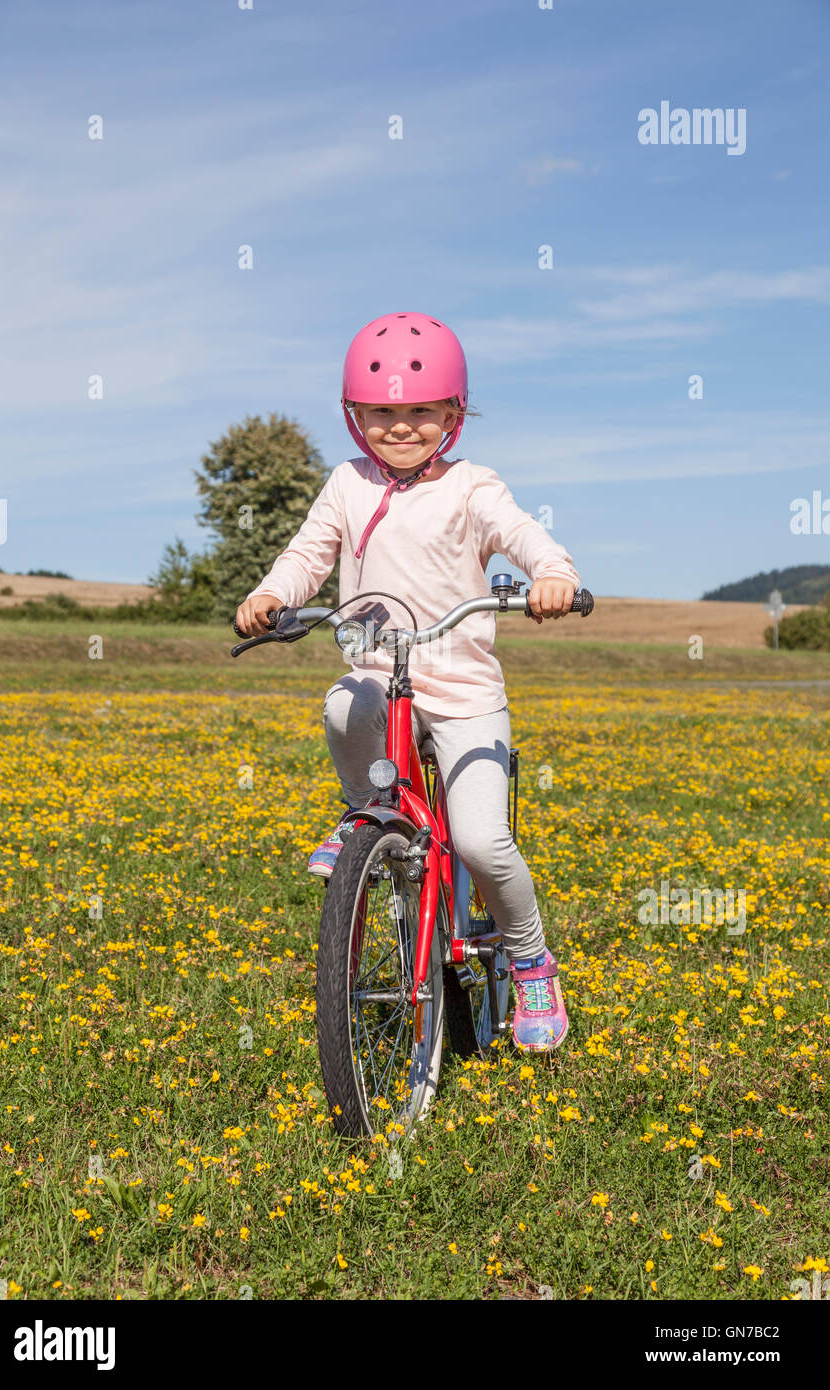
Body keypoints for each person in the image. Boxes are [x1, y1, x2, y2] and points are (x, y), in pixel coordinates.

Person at [234, 311, 581, 1052]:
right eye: (383, 413)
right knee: (342, 703)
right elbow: (307, 555)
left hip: (463, 694)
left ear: (453, 413)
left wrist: (552, 575)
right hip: (379, 674)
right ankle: (367, 817)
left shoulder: (472, 486)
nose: (402, 427)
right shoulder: (345, 485)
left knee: (484, 843)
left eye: (420, 411)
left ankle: (530, 959)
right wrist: (271, 595)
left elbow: (523, 536)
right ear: (355, 417)